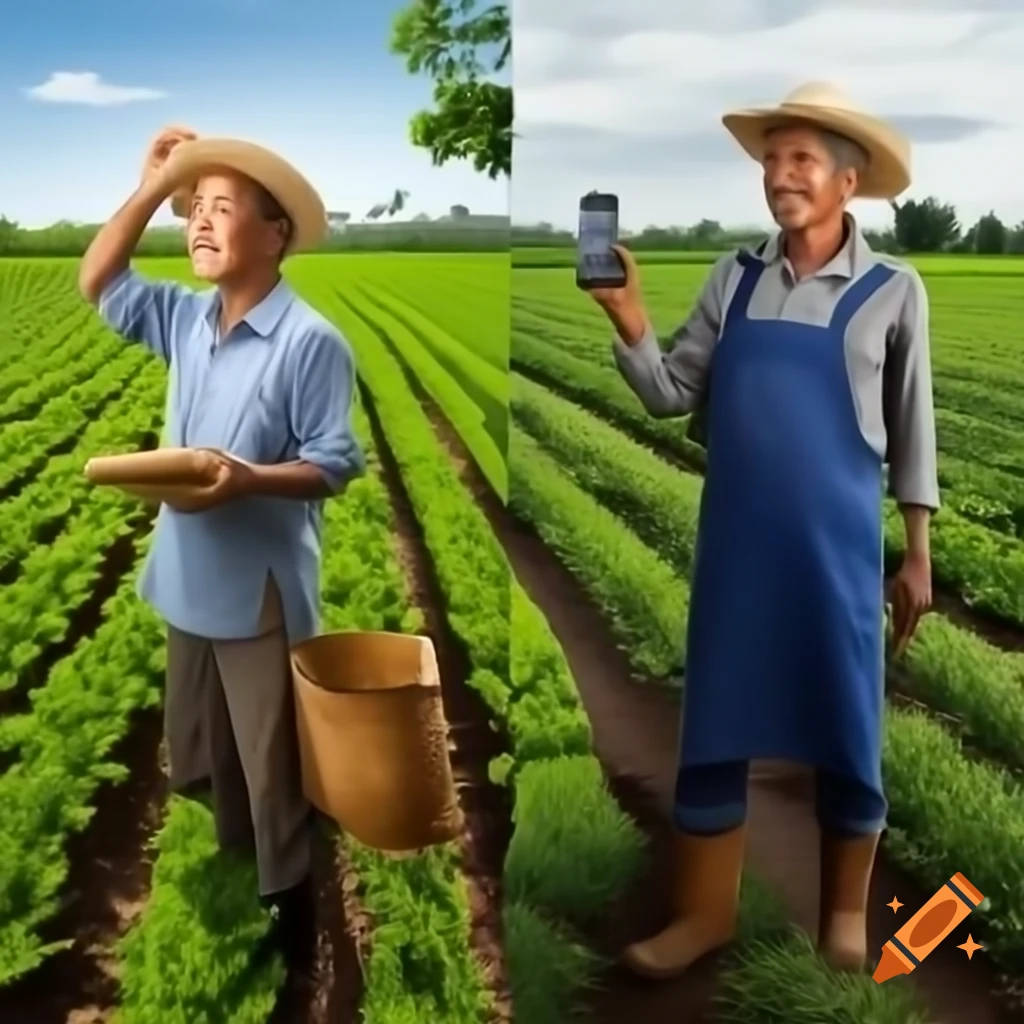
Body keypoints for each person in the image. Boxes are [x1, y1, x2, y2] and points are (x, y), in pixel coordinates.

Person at [586, 82, 939, 978]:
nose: (780, 176)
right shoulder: (732, 279)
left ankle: (845, 919)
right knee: (714, 723)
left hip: (837, 557)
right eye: (772, 159)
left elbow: (913, 432)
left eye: (800, 160)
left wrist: (919, 557)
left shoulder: (893, 292)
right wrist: (629, 322)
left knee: (846, 726)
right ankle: (704, 914)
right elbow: (671, 395)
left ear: (846, 182)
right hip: (738, 552)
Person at [78, 126, 366, 973]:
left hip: (259, 585)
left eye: (222, 208)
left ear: (276, 233)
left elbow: (333, 465)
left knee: (271, 751)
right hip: (187, 572)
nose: (199, 224)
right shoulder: (184, 318)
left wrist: (247, 480)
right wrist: (147, 188)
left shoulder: (312, 341)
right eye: (192, 210)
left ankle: (292, 901)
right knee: (203, 741)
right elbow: (99, 280)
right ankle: (242, 850)